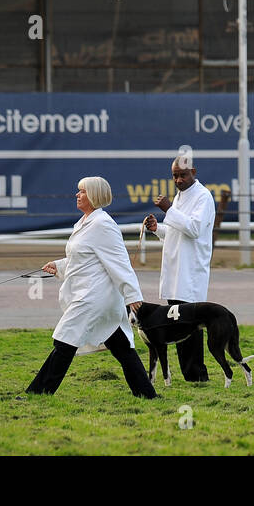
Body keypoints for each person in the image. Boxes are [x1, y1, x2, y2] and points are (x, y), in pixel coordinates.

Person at [25, 176, 156, 397]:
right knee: (122, 348)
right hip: (92, 297)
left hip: (94, 299)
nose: (77, 195)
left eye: (82, 191)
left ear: (94, 196)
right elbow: (83, 259)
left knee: (65, 341)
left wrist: (132, 294)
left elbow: (120, 262)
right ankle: (146, 394)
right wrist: (58, 266)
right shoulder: (86, 222)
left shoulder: (103, 225)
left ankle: (39, 392)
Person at [143, 150, 216, 382]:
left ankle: (197, 376)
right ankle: (190, 376)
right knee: (178, 325)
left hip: (191, 273)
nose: (178, 180)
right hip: (175, 272)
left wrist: (168, 210)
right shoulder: (179, 197)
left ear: (193, 172)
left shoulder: (203, 197)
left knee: (190, 328)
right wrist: (157, 229)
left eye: (183, 175)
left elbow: (194, 230)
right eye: (174, 176)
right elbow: (176, 233)